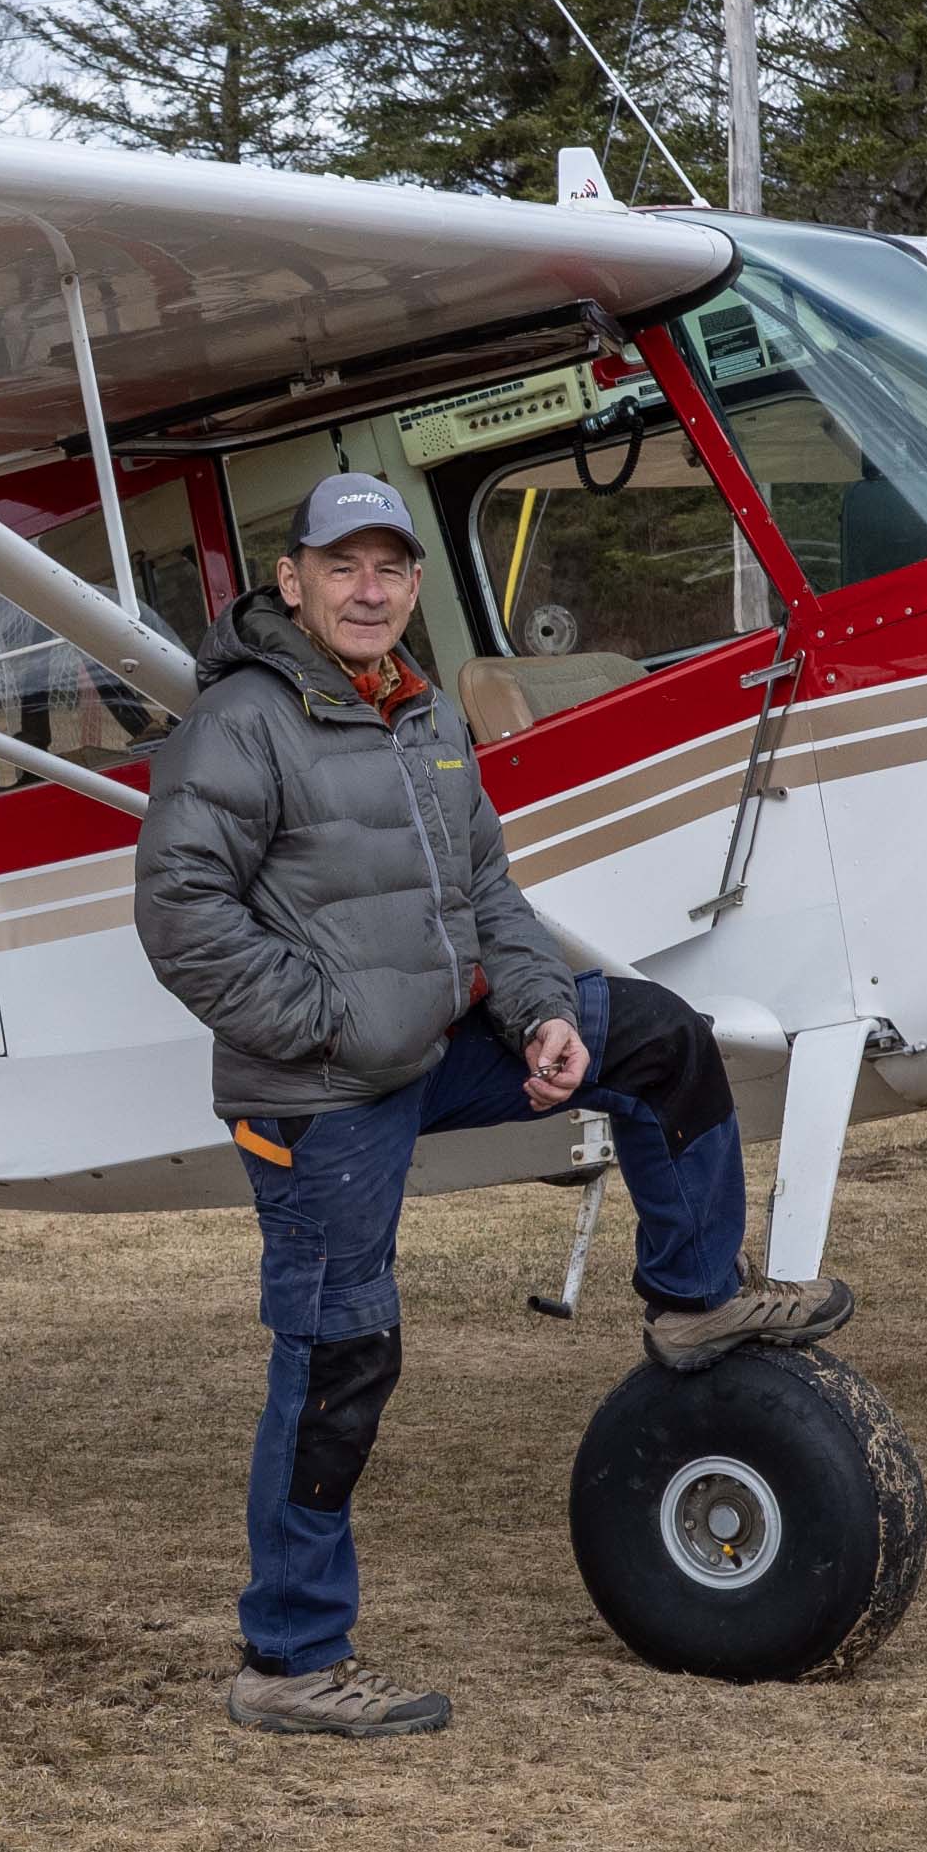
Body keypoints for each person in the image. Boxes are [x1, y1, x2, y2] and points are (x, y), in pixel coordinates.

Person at [133, 470, 852, 1739]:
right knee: (342, 1359)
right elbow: (182, 916)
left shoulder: (419, 716)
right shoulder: (239, 722)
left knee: (664, 1041)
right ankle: (290, 1660)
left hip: (431, 1044)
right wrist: (332, 1027)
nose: (371, 590)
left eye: (392, 568)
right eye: (342, 565)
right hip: (323, 1091)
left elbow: (491, 897)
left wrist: (544, 1017)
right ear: (290, 581)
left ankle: (693, 1302)